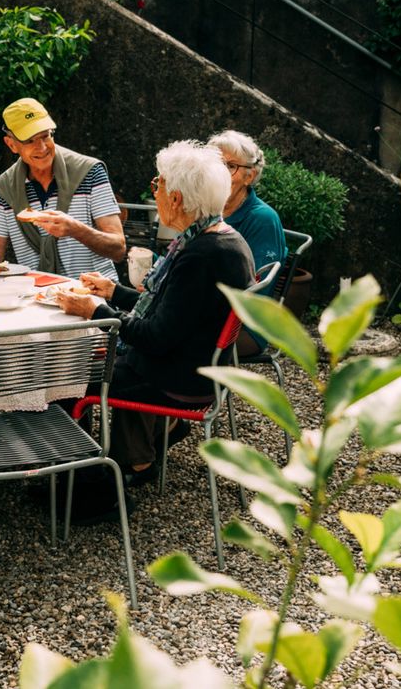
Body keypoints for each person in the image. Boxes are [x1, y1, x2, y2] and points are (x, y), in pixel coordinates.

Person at [55, 140, 254, 523]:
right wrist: (114, 291)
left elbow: (154, 336)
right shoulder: (220, 238)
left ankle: (86, 494)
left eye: (158, 185)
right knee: (83, 362)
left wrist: (96, 309)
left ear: (176, 199)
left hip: (176, 378)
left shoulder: (200, 255)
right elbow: (171, 307)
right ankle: (122, 458)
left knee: (67, 380)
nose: (155, 191)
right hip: (203, 368)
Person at [0, 97, 125, 280]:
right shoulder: (5, 189)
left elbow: (118, 249)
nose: (42, 147)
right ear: (11, 144)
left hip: (93, 294)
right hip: (36, 297)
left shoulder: (89, 173)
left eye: (45, 136)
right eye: (29, 141)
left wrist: (76, 229)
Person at [207, 130, 287, 354]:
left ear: (249, 176)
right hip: (204, 313)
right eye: (214, 165)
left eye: (229, 167)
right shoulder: (206, 209)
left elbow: (254, 290)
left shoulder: (262, 219)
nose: (219, 174)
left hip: (241, 329)